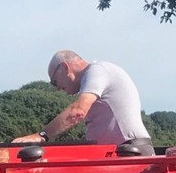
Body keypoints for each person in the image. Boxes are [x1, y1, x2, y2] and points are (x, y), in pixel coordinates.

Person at [13, 50, 155, 155]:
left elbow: (78, 111)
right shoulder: (95, 76)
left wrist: (41, 136)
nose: (57, 88)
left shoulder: (97, 71)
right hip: (120, 152)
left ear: (65, 67)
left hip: (130, 152)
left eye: (54, 82)